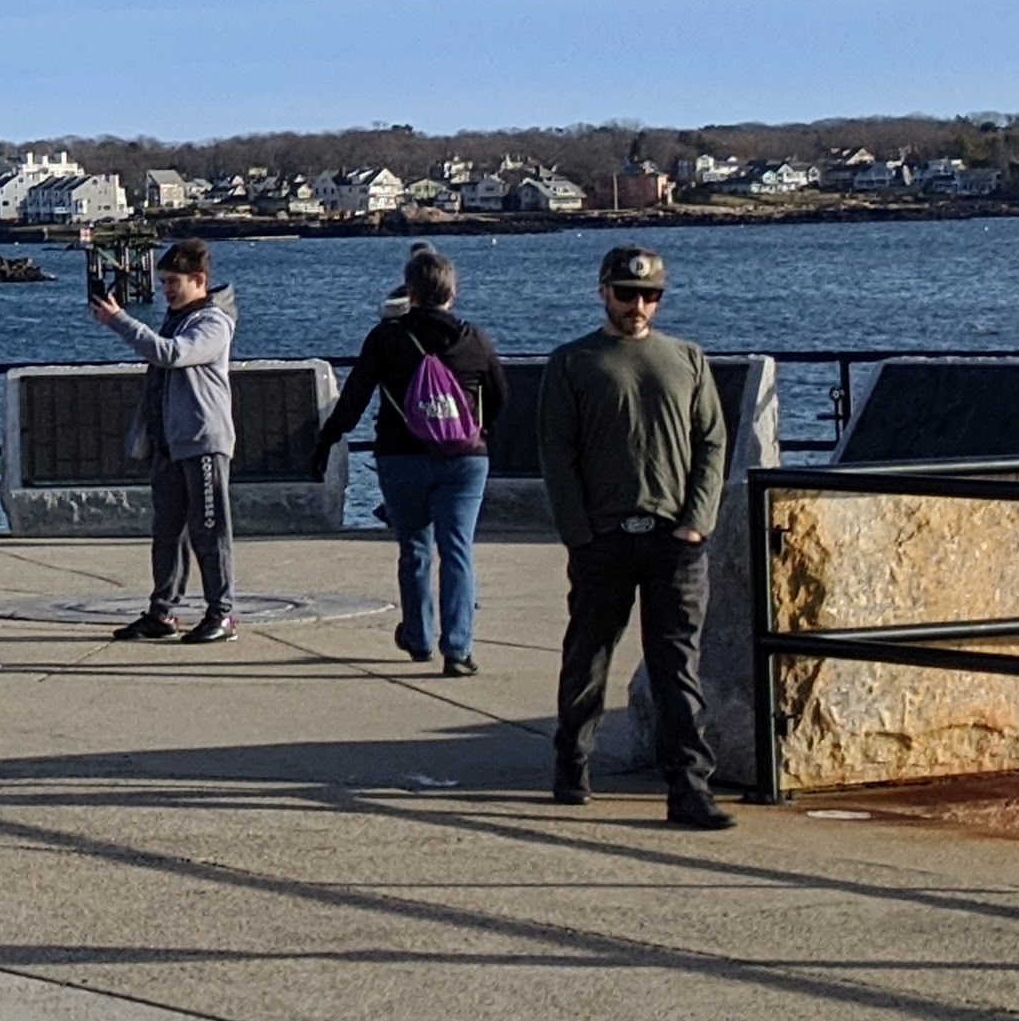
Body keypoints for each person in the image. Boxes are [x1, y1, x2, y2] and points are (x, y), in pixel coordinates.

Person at [543, 244, 736, 830]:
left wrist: (697, 520)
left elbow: (712, 444)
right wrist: (579, 533)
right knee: (589, 654)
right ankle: (573, 761)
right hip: (603, 539)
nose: (638, 305)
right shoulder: (573, 362)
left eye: (650, 295)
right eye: (627, 293)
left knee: (676, 664)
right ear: (604, 292)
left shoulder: (688, 359)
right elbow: (556, 453)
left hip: (674, 541)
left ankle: (689, 789)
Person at [313, 243, 510, 676]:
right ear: (452, 294)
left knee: (414, 549)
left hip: (401, 456)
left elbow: (355, 398)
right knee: (457, 550)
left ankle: (419, 637)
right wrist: (479, 433)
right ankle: (458, 649)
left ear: (412, 294)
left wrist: (327, 440)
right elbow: (499, 397)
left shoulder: (386, 338)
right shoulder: (475, 340)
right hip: (464, 458)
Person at [93, 239, 237, 643]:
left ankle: (221, 613)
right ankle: (163, 612)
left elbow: (171, 355)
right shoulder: (178, 318)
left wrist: (120, 320)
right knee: (167, 531)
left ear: (200, 280)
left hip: (203, 441)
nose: (167, 290)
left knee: (210, 530)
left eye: (175, 282)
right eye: (164, 282)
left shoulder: (212, 323)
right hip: (169, 443)